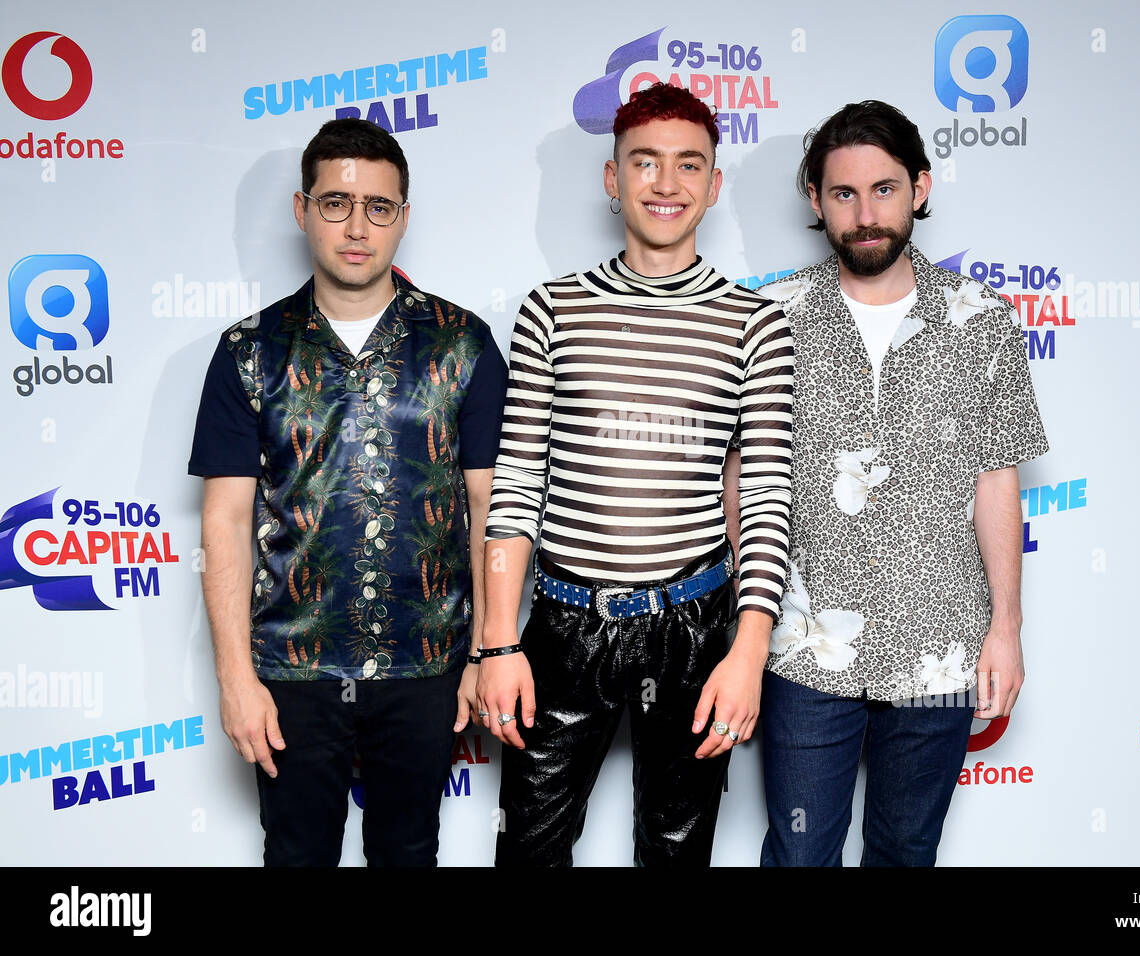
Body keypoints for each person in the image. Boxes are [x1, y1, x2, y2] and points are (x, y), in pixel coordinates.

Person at [476, 82, 794, 866]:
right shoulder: (552, 309)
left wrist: (749, 650)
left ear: (714, 185)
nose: (666, 183)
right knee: (528, 850)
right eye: (644, 162)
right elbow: (516, 482)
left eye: (689, 165)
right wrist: (493, 643)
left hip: (691, 625)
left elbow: (763, 498)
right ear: (612, 179)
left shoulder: (755, 325)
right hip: (563, 622)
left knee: (677, 853)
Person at [188, 117, 506, 866]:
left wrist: (482, 655)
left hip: (427, 666)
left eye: (378, 207)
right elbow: (226, 523)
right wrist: (235, 679)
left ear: (403, 216)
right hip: (291, 669)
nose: (356, 226)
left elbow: (490, 513)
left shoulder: (462, 344)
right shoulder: (249, 350)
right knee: (296, 857)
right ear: (302, 210)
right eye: (336, 203)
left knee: (408, 854)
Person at [756, 100, 1048, 866]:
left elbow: (996, 480)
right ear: (815, 200)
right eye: (843, 194)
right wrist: (749, 619)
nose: (865, 214)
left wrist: (1007, 628)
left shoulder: (982, 318)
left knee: (905, 852)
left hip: (941, 646)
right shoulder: (773, 317)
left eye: (884, 189)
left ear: (919, 188)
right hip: (801, 643)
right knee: (797, 854)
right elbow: (743, 478)